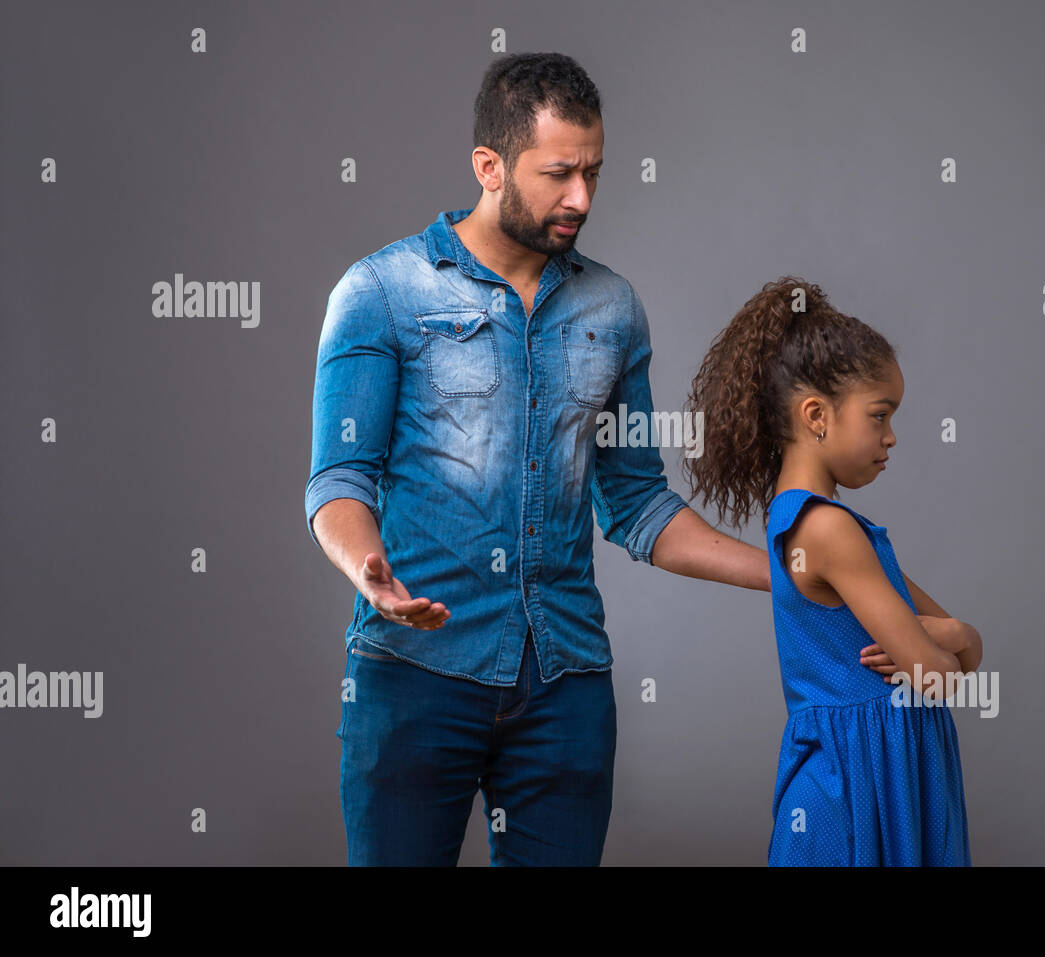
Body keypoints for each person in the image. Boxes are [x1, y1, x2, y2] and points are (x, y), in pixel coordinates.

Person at [305, 51, 784, 866]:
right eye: (560, 173)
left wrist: (792, 567)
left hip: (565, 685)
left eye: (594, 172)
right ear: (489, 166)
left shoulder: (613, 307)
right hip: (414, 677)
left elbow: (637, 506)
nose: (583, 199)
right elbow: (339, 480)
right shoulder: (381, 292)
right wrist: (368, 569)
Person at [683, 276, 983, 866]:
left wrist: (954, 639)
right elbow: (943, 677)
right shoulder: (830, 531)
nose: (891, 437)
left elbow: (949, 646)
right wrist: (959, 638)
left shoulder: (806, 520)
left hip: (872, 772)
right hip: (857, 786)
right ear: (817, 415)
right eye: (880, 415)